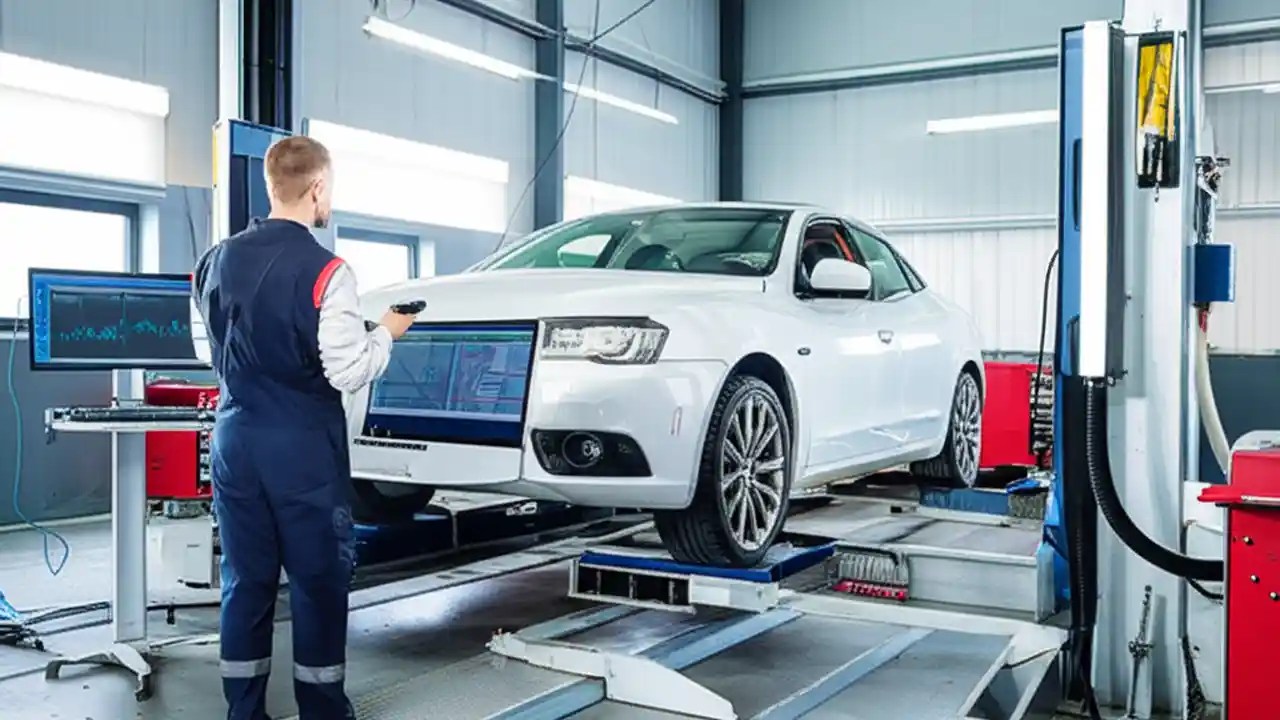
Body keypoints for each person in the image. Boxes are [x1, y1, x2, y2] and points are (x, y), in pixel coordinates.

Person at [191, 135, 417, 719]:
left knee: (245, 580)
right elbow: (347, 369)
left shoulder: (213, 260)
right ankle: (322, 710)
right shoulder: (328, 270)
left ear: (272, 186)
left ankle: (243, 711)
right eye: (329, 190)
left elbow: (205, 349)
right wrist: (386, 333)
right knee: (318, 581)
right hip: (299, 449)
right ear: (318, 187)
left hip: (234, 439)